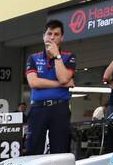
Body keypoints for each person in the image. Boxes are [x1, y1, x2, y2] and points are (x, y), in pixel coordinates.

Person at [25, 18, 76, 155]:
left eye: (56, 34)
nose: (52, 37)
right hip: (38, 108)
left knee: (60, 150)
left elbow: (64, 77)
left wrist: (57, 56)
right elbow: (34, 83)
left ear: (62, 37)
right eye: (49, 33)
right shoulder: (33, 58)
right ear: (44, 36)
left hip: (60, 108)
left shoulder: (68, 57)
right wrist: (61, 85)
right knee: (33, 148)